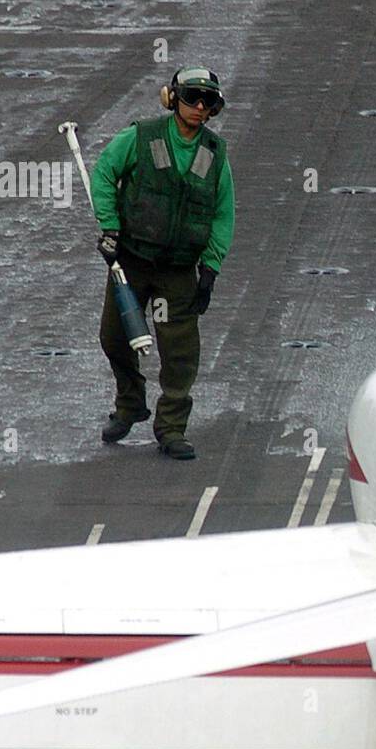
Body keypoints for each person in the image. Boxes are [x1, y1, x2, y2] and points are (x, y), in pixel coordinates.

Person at [90, 66, 235, 460]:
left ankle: (171, 427)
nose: (199, 106)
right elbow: (104, 173)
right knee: (114, 337)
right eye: (191, 97)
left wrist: (210, 269)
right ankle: (130, 404)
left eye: (207, 101)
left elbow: (223, 214)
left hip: (178, 271)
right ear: (173, 98)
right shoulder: (140, 138)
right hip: (132, 262)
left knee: (180, 352)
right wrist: (110, 228)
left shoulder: (215, 156)